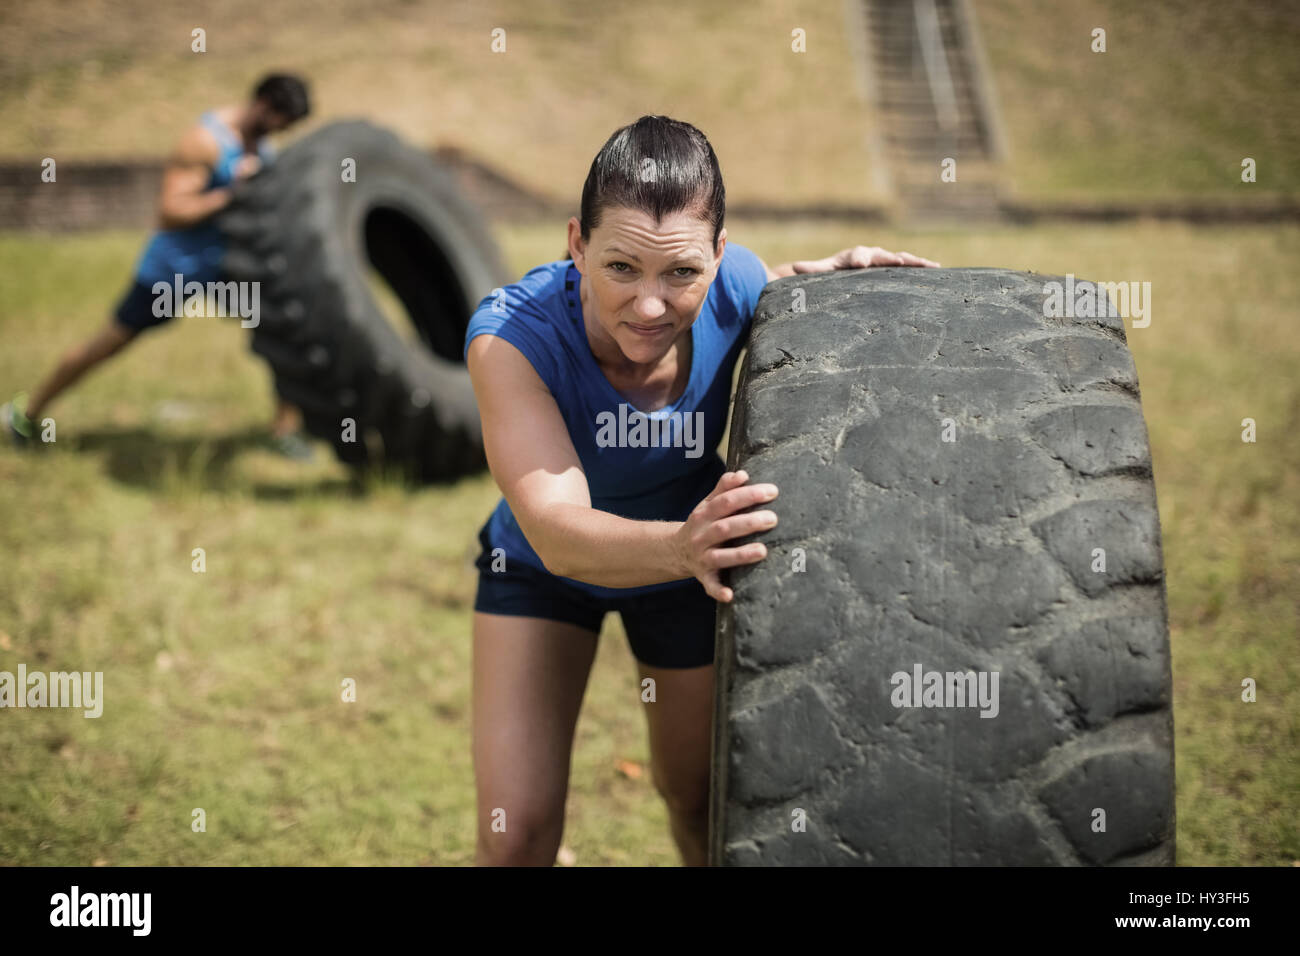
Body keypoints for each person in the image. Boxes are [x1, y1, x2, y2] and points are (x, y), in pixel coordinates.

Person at [464, 114, 940, 866]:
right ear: (576, 244)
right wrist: (683, 544)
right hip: (544, 572)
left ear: (718, 257)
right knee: (513, 833)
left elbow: (776, 284)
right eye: (620, 267)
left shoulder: (737, 286)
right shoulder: (511, 338)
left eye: (680, 273)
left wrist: (838, 274)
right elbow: (557, 531)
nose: (650, 307)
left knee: (698, 800)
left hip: (691, 574)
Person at [4, 73, 313, 457]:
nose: (279, 131)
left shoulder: (263, 147)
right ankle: (27, 413)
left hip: (229, 268)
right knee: (110, 343)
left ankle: (285, 431)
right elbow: (170, 212)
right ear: (263, 104)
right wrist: (230, 193)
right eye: (279, 120)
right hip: (175, 269)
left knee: (283, 331)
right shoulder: (204, 141)